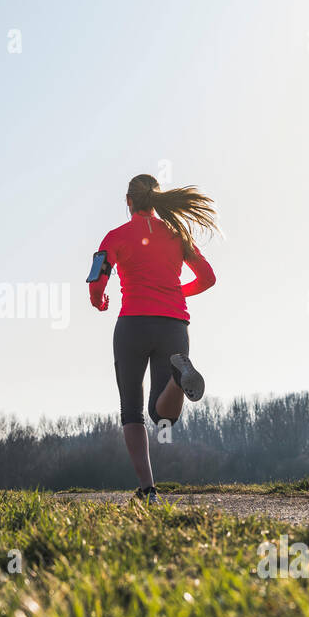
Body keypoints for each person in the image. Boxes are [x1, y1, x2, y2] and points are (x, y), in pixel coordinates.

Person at [88, 173, 219, 504]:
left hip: (133, 324)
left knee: (131, 411)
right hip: (174, 325)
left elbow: (96, 284)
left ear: (129, 201)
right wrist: (176, 291)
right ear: (157, 200)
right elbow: (208, 277)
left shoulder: (115, 237)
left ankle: (148, 491)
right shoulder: (178, 235)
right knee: (164, 417)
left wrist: (100, 301)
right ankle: (179, 377)